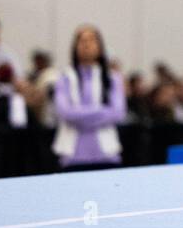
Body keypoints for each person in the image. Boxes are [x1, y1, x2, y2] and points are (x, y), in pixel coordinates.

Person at [52, 24, 127, 171]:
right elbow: (65, 112)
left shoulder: (112, 78)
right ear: (75, 46)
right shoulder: (64, 77)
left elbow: (118, 112)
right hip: (73, 156)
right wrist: (100, 111)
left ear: (100, 47)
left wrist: (80, 115)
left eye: (92, 40)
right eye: (82, 40)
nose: (87, 44)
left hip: (106, 154)